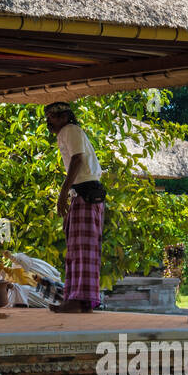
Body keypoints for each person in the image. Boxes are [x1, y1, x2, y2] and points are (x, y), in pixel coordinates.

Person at [44, 102, 106, 313]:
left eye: (54, 116)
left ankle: (77, 300)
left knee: (81, 250)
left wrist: (63, 192)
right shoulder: (70, 132)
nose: (50, 121)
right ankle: (80, 300)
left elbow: (78, 159)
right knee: (81, 248)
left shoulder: (70, 130)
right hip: (85, 194)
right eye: (49, 117)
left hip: (84, 193)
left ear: (64, 117)